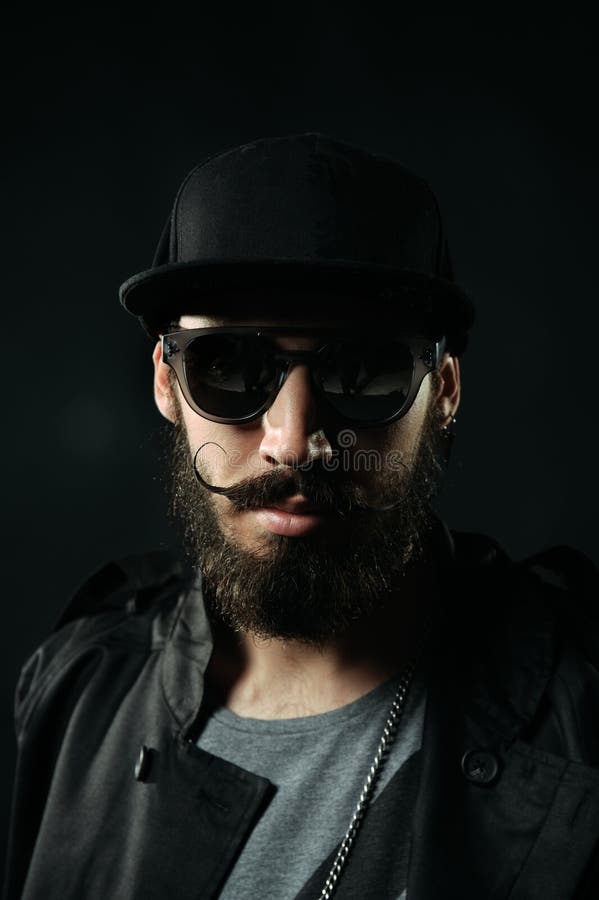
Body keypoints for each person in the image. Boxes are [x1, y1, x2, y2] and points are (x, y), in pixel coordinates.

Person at [4, 133, 599, 900]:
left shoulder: (579, 723)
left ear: (444, 390)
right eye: (229, 368)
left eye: (363, 370)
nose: (294, 442)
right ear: (165, 381)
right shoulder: (78, 691)